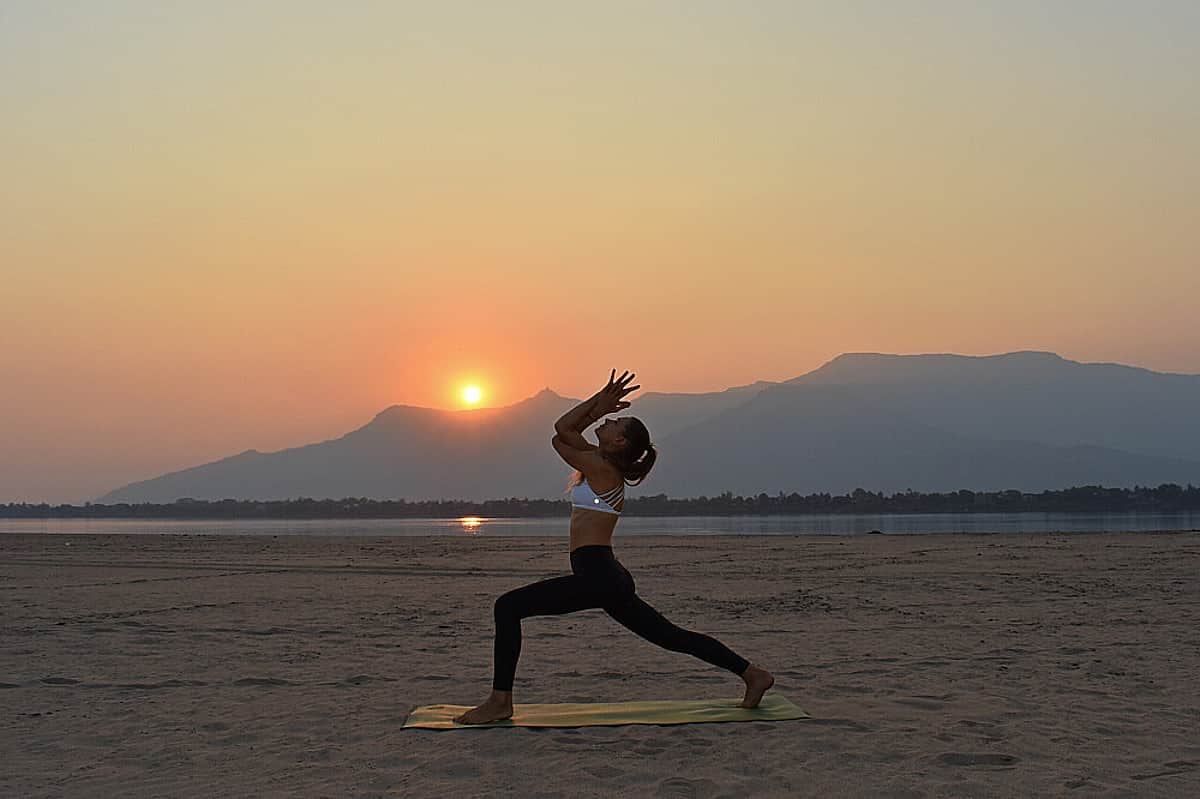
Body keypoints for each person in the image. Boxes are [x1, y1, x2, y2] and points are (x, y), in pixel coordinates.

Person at [454, 369, 774, 724]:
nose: (609, 420)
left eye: (615, 421)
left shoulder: (603, 470)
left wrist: (595, 403)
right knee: (669, 636)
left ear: (619, 442)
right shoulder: (600, 463)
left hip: (598, 576)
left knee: (507, 607)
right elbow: (561, 438)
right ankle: (752, 674)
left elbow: (562, 430)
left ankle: (500, 701)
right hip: (605, 573)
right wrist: (595, 410)